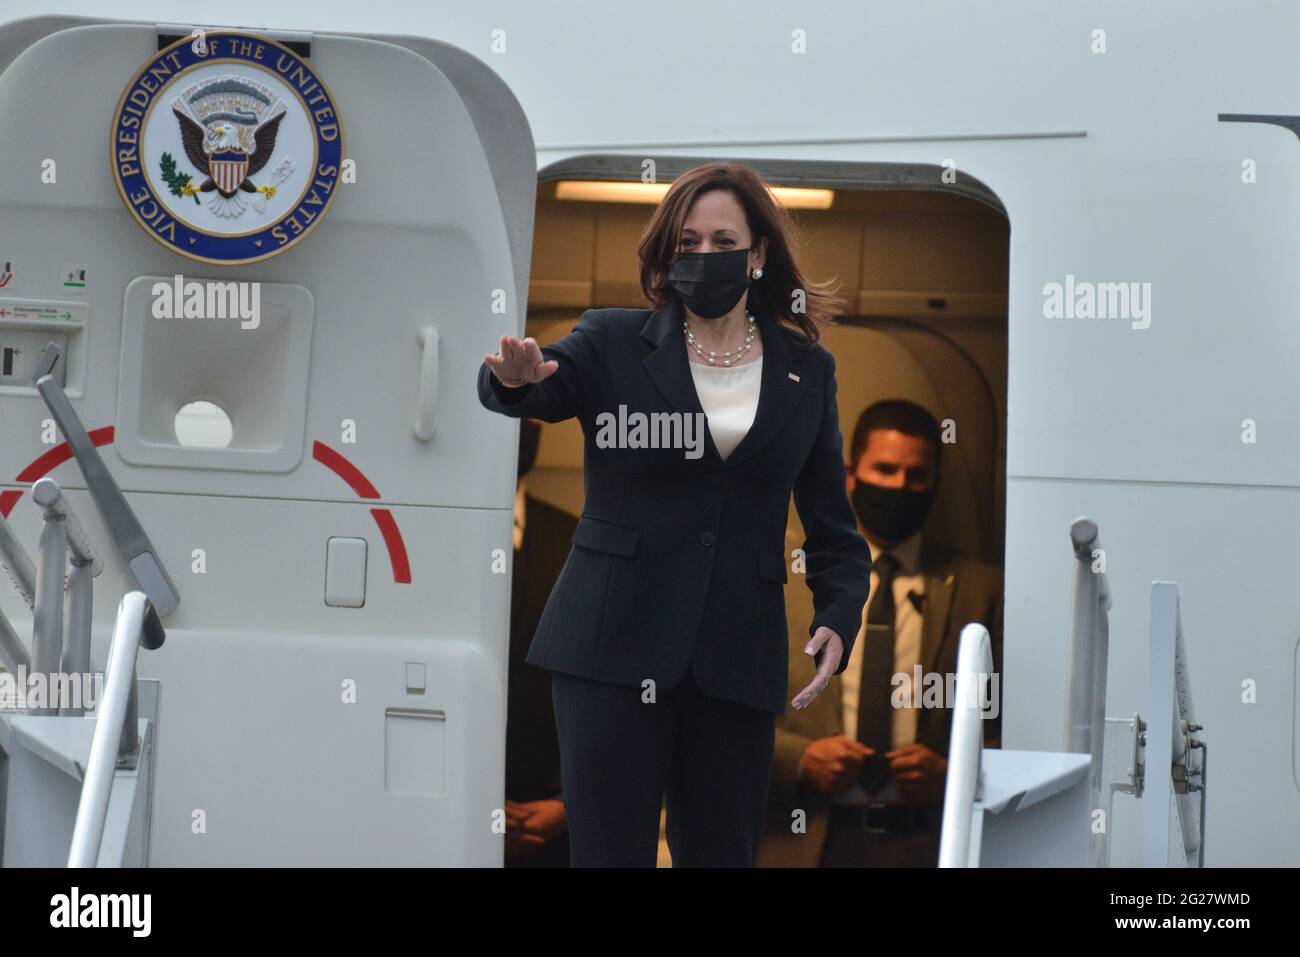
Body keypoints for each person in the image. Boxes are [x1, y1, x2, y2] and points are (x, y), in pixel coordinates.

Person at [476, 162, 872, 867]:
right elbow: (539, 387)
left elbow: (834, 530)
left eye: (723, 241)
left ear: (757, 254)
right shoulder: (612, 340)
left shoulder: (807, 369)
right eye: (687, 242)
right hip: (610, 650)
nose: (703, 254)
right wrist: (510, 380)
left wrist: (838, 615)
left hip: (736, 660)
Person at [756, 399, 1004, 868]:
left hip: (927, 843)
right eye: (885, 470)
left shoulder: (981, 591)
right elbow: (720, 717)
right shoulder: (786, 580)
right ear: (851, 474)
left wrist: (955, 773)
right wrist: (799, 760)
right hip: (803, 841)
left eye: (916, 476)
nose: (898, 487)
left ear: (936, 483)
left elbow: (1016, 730)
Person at [504, 418, 573, 867]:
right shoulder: (416, 535)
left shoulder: (579, 542)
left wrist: (571, 802)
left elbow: (619, 689)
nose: (525, 424)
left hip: (550, 832)